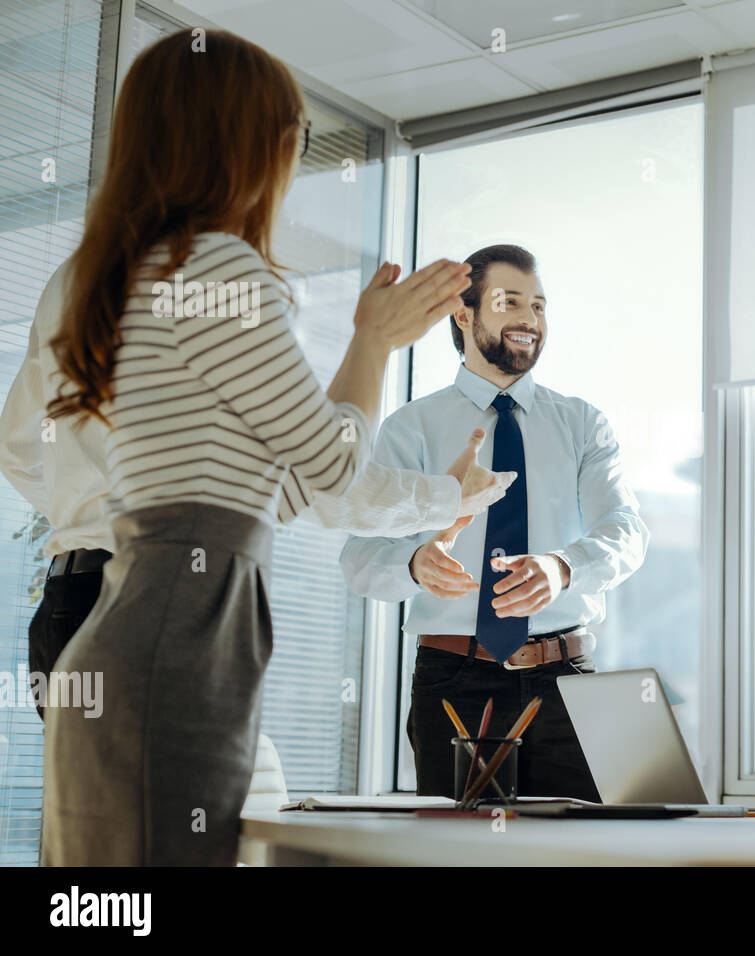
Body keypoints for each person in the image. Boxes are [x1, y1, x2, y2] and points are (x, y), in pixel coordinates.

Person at [37, 29, 476, 866]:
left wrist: (375, 361)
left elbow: (278, 490)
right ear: (248, 144)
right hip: (179, 646)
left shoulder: (138, 274)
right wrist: (384, 368)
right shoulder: (223, 272)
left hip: (137, 640)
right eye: (295, 138)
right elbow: (333, 467)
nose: (293, 163)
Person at [0, 264, 514, 723]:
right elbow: (319, 477)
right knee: (170, 827)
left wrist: (93, 522)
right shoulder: (218, 274)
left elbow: (17, 450)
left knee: (90, 825)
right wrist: (450, 494)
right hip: (159, 613)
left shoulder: (77, 276)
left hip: (68, 607)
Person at [340, 244, 649, 802]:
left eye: (539, 305)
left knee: (580, 856)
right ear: (465, 314)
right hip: (453, 680)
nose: (529, 319)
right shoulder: (411, 427)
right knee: (458, 858)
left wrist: (562, 567)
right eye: (510, 302)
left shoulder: (582, 423)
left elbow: (626, 530)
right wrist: (413, 564)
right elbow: (359, 561)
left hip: (566, 679)